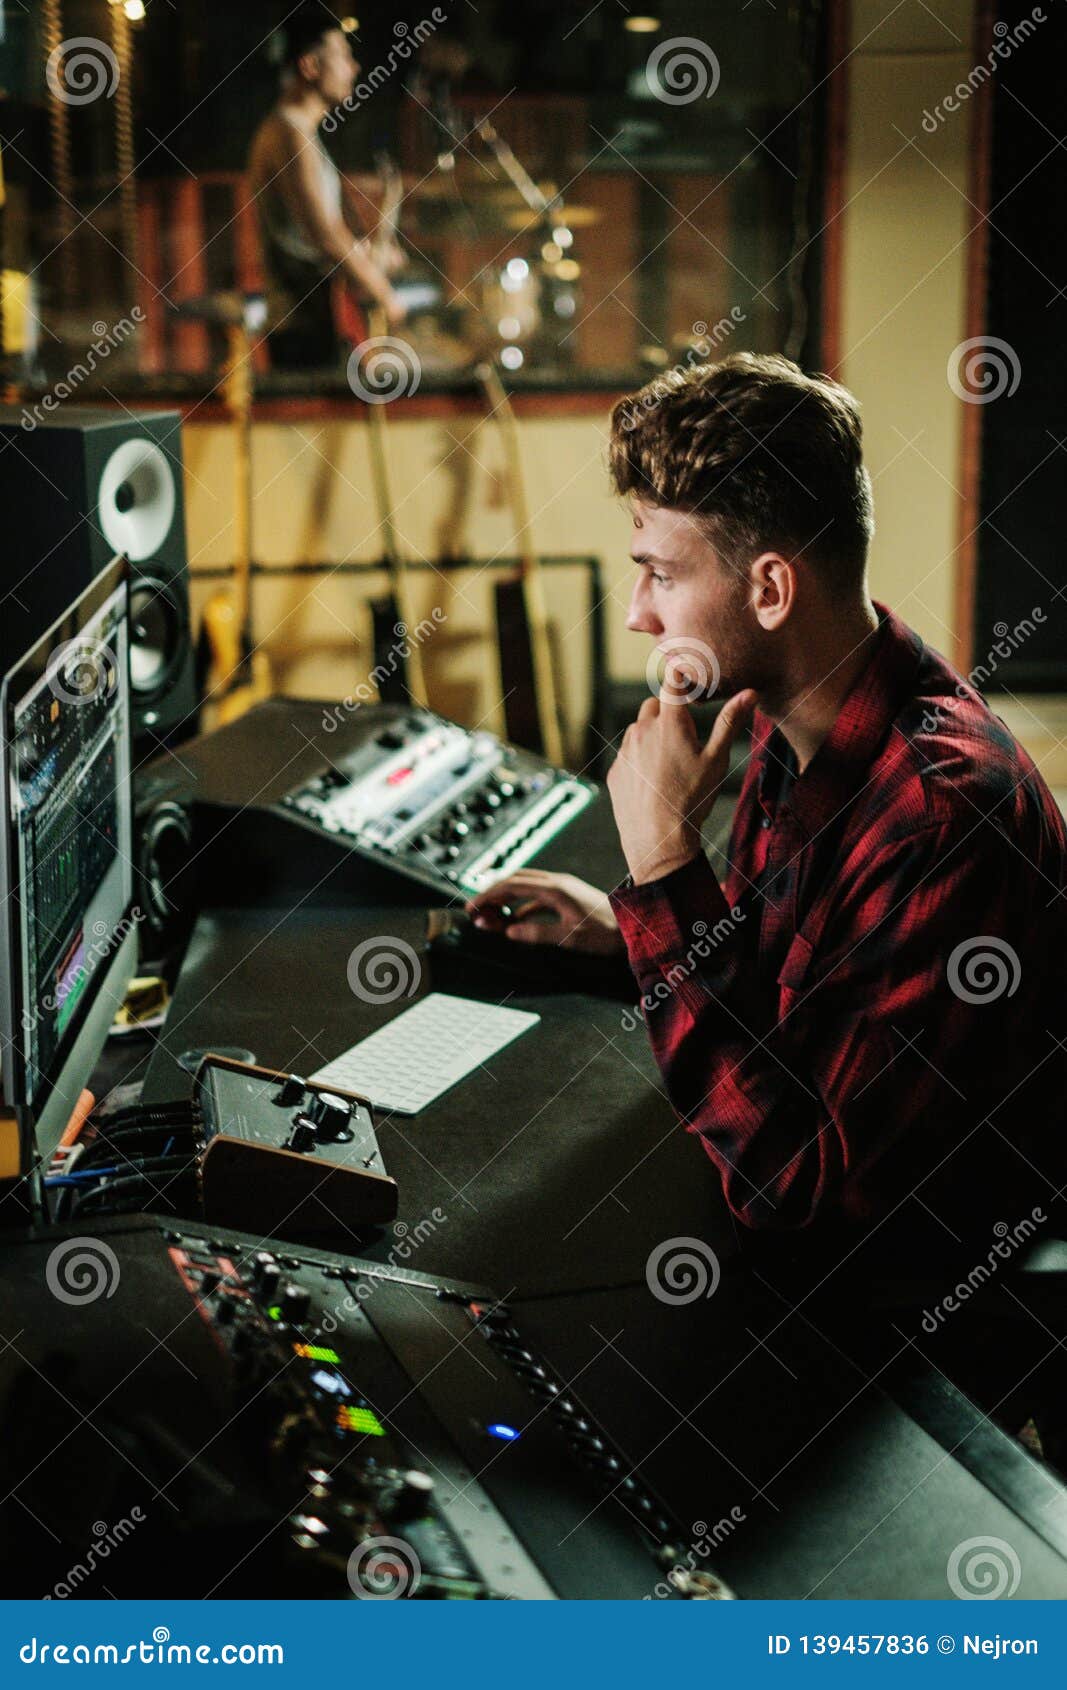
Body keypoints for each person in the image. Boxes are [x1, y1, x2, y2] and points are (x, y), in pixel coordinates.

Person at [468, 352, 1067, 1282]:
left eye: (660, 574)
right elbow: (788, 1007)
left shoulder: (943, 815)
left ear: (771, 590)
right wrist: (627, 931)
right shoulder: (793, 725)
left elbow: (803, 1197)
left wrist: (666, 866)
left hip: (899, 1314)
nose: (637, 615)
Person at [248, 8, 405, 370]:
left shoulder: (299, 132)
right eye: (344, 57)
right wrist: (386, 295)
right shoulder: (289, 133)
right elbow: (325, 234)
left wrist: (366, 252)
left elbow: (313, 233)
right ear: (310, 66)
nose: (354, 68)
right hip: (301, 325)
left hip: (314, 320)